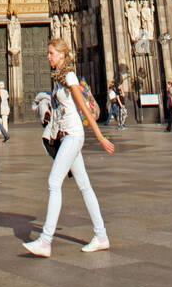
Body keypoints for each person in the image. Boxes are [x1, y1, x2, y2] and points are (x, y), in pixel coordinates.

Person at [23, 38, 114, 257]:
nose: (47, 56)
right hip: (65, 137)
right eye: (48, 53)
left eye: (51, 53)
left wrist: (100, 136)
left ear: (62, 55)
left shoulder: (69, 77)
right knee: (85, 186)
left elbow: (83, 107)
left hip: (74, 136)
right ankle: (101, 235)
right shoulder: (58, 79)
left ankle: (45, 241)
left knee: (54, 182)